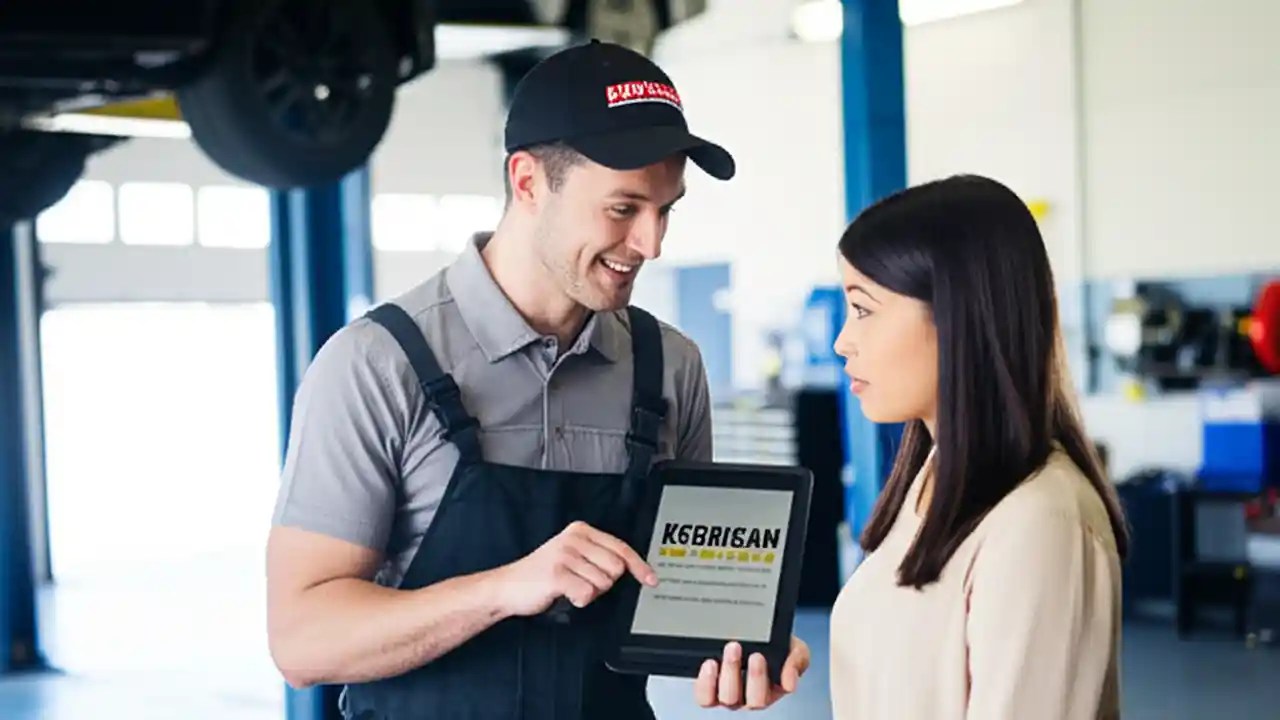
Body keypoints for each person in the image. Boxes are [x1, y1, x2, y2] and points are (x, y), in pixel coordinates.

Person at [264, 40, 808, 720]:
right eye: (623, 208)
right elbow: (302, 641)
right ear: (527, 182)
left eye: (666, 210)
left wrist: (750, 647)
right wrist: (503, 589)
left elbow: (686, 599)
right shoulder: (377, 364)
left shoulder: (670, 366)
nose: (652, 244)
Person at [827, 174, 1129, 720]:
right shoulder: (934, 479)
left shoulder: (1041, 522)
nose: (842, 340)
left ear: (955, 315)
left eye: (863, 309)